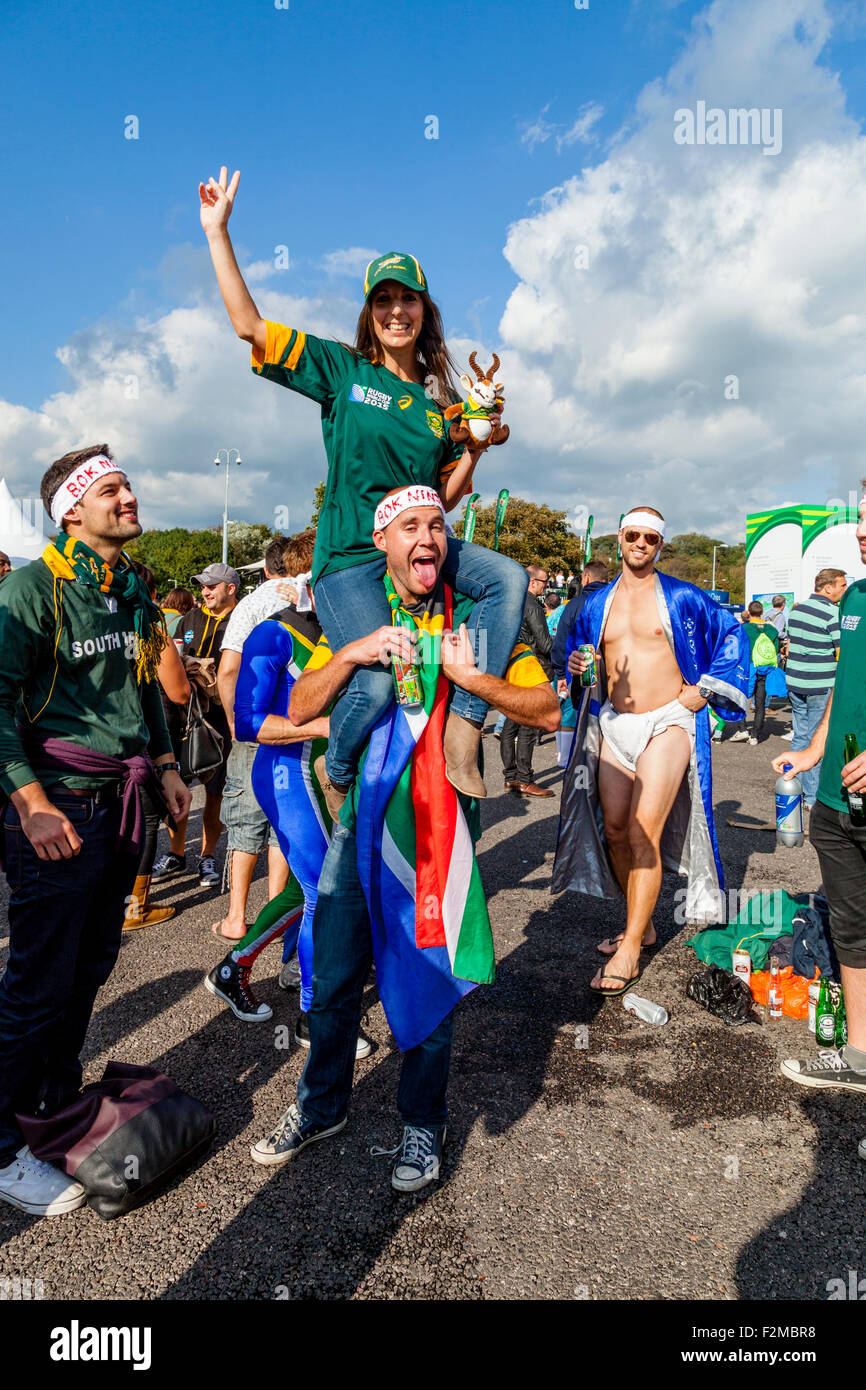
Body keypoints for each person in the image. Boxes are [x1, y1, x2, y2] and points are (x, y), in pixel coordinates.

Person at [248, 487, 559, 1191]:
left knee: (426, 987)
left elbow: (546, 711)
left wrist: (471, 677)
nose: (428, 537)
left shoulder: (479, 622)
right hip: (357, 830)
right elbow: (296, 707)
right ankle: (319, 1106)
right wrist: (352, 654)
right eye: (411, 527)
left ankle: (422, 1125)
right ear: (384, 543)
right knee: (331, 982)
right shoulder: (355, 616)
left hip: (437, 837)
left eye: (438, 526)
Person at [199, 166, 527, 810]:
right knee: (377, 685)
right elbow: (250, 328)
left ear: (425, 312)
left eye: (408, 300)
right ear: (369, 312)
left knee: (508, 579)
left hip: (421, 547)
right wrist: (218, 233)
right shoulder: (341, 371)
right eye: (383, 300)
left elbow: (446, 497)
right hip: (352, 559)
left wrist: (477, 451)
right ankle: (339, 770)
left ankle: (467, 720)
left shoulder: (440, 408)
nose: (396, 311)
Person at [0, 445, 191, 1217]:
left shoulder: (130, 588)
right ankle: (3, 1149)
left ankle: (50, 1101)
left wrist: (171, 761)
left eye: (129, 483)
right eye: (113, 488)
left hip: (124, 798)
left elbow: (147, 682)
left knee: (91, 965)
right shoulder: (31, 587)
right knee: (38, 980)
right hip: (59, 803)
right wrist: (29, 802)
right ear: (72, 509)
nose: (130, 495)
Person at [553, 506, 749, 995]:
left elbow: (732, 635)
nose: (641, 544)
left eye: (651, 538)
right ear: (619, 539)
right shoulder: (596, 602)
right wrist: (578, 666)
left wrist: (703, 690)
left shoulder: (683, 596)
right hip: (614, 722)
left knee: (643, 831)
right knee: (616, 830)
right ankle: (642, 922)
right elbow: (579, 656)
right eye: (633, 535)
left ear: (660, 545)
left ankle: (631, 948)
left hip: (669, 722)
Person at [772, 501, 866, 1134]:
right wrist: (813, 750)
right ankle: (860, 1056)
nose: (861, 531)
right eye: (862, 518)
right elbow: (844, 686)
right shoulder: (854, 595)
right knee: (854, 929)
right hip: (836, 801)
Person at [209, 535, 307, 941]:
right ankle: (277, 913)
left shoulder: (253, 603)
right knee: (283, 823)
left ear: (267, 568)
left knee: (245, 821)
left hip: (257, 725)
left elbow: (228, 671)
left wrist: (236, 721)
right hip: (297, 729)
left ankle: (236, 916)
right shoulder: (312, 602)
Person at [152, 561, 240, 889]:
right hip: (182, 718)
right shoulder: (190, 618)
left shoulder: (242, 619)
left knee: (214, 793)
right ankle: (176, 854)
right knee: (177, 788)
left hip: (219, 723)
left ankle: (207, 855)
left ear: (230, 588)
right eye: (202, 585)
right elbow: (171, 658)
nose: (204, 591)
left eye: (211, 585)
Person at [122, 560, 193, 930]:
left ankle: (117, 901)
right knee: (147, 820)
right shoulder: (150, 630)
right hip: (151, 735)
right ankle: (134, 908)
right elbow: (178, 692)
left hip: (121, 741)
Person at [782, 569, 846, 809]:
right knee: (816, 740)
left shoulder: (797, 610)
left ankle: (792, 786)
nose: (844, 589)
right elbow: (841, 651)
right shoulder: (832, 613)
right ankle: (811, 797)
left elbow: (791, 643)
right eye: (841, 585)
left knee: (800, 735)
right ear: (828, 588)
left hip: (796, 682)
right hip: (820, 684)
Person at [501, 564, 555, 796]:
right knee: (526, 728)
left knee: (510, 726)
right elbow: (544, 644)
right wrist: (561, 651)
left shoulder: (510, 599)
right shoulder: (532, 604)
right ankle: (524, 779)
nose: (546, 586)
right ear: (533, 582)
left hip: (511, 666)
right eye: (544, 582)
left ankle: (510, 778)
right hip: (531, 669)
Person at [730, 601, 780, 746]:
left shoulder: (743, 628)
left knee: (740, 699)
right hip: (765, 668)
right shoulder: (772, 630)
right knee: (760, 703)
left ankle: (742, 729)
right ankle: (755, 735)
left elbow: (737, 649)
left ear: (749, 613)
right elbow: (776, 650)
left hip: (747, 668)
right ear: (762, 612)